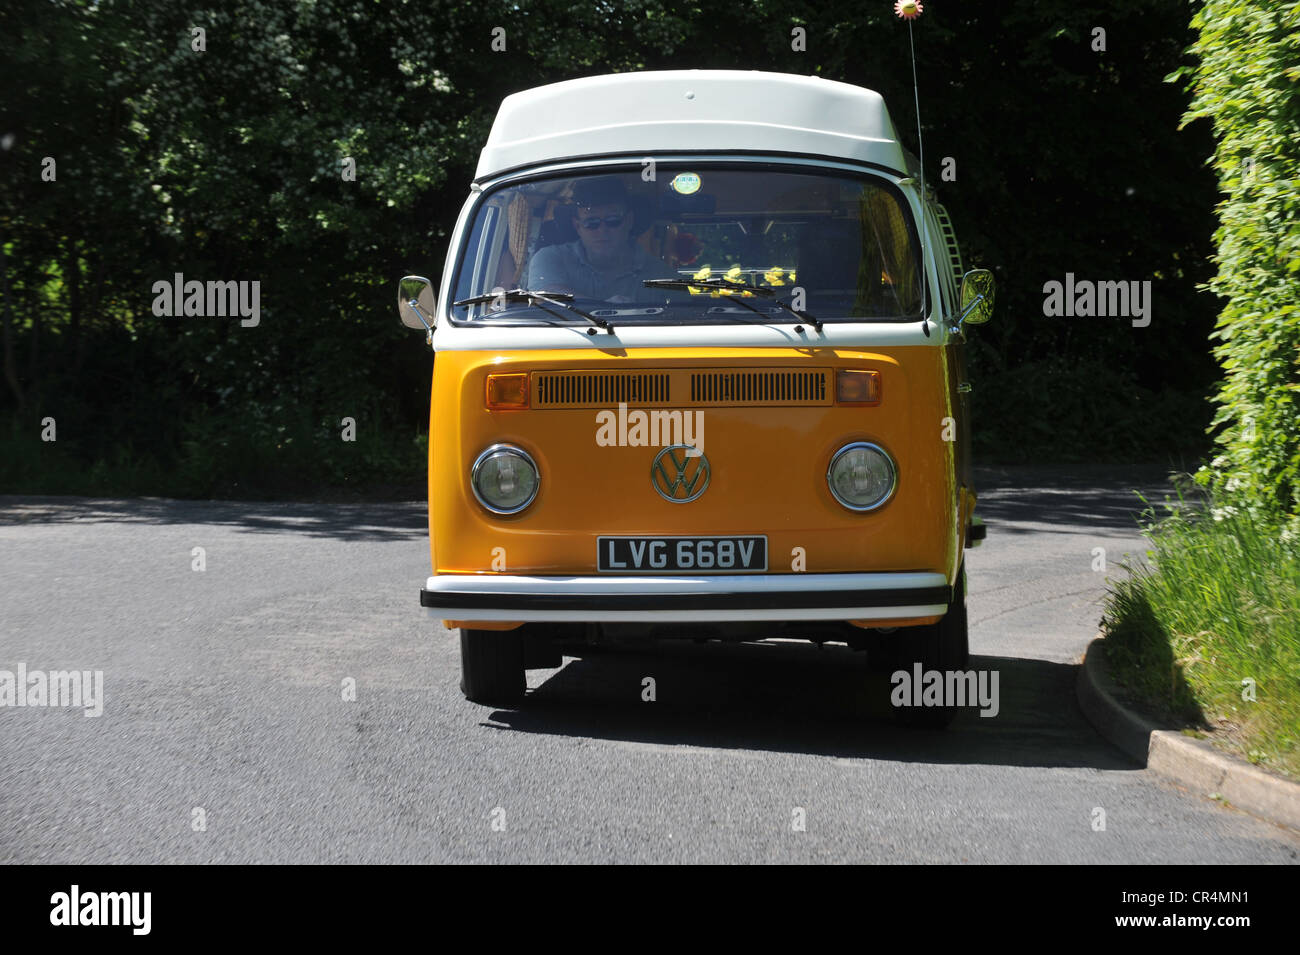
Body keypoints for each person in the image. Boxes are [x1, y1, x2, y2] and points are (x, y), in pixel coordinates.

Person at [522, 177, 674, 302]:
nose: (602, 230)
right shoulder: (549, 258)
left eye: (613, 221)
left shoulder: (663, 276)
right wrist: (610, 308)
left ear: (629, 221)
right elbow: (547, 294)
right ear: (577, 225)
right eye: (591, 223)